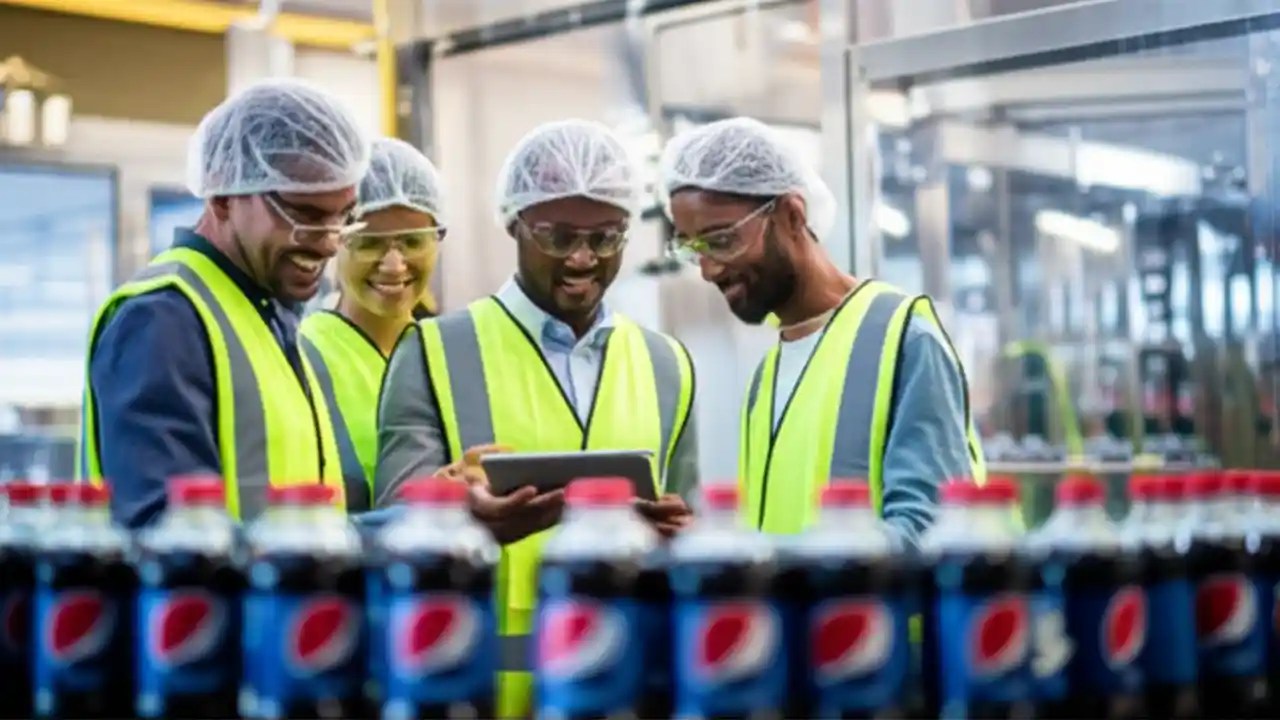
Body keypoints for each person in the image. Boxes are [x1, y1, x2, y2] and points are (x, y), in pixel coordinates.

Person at [377, 119, 699, 717]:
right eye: (558, 236)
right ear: (514, 223)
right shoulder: (435, 350)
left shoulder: (667, 365)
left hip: (627, 692)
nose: (582, 258)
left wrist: (684, 536)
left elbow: (689, 532)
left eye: (606, 238)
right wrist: (467, 514)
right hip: (475, 693)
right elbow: (393, 533)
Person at [659, 116, 986, 548]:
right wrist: (711, 539)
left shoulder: (903, 341)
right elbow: (774, 533)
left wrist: (752, 555)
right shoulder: (769, 373)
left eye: (721, 240)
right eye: (692, 248)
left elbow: (930, 535)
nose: (708, 270)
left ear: (792, 215)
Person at [76, 78, 371, 527]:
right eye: (304, 215)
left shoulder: (264, 314)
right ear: (222, 198)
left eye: (343, 216)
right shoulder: (163, 320)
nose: (330, 243)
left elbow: (309, 529)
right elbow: (172, 537)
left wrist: (426, 523)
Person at [299, 137, 446, 513]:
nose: (394, 265)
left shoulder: (448, 354)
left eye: (413, 241)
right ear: (334, 241)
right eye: (368, 243)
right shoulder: (304, 357)